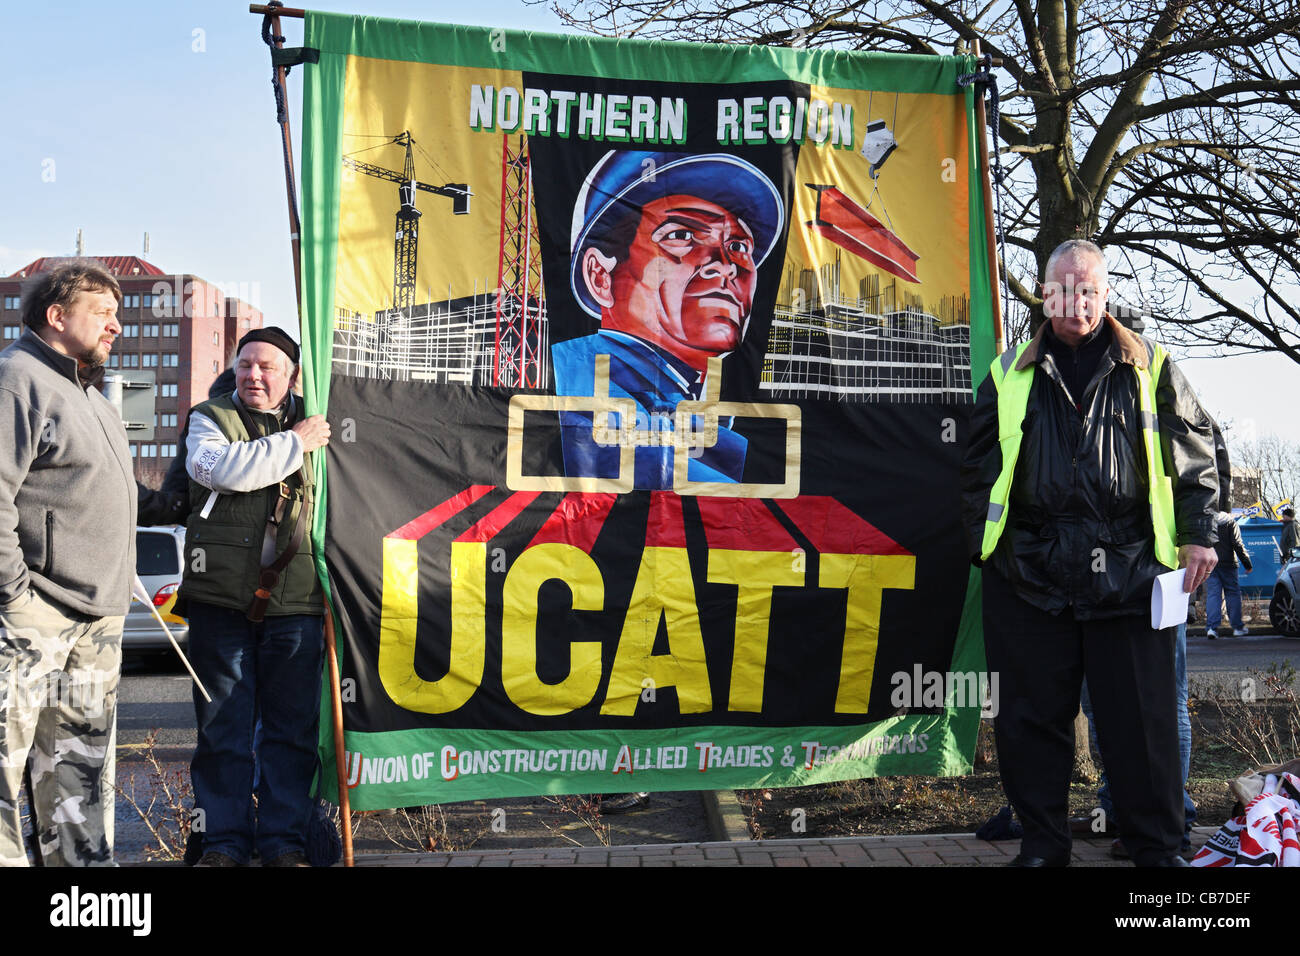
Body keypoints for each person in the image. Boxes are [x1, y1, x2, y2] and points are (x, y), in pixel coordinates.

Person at [962, 239, 1219, 867]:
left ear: (1105, 295)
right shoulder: (1008, 372)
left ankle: (1157, 848)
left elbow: (1196, 453)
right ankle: (1043, 847)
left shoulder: (1151, 366)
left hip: (1130, 574)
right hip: (1029, 575)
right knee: (1030, 726)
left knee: (1142, 727)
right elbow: (974, 468)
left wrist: (1197, 535)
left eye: (1088, 288)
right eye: (1062, 287)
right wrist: (985, 548)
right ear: (1044, 292)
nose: (1075, 299)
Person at [0, 261, 136, 865]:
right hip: (35, 620)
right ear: (56, 316)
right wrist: (13, 595)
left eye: (117, 314)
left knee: (78, 781)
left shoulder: (93, 398)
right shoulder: (17, 380)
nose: (116, 326)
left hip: (97, 625)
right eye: (102, 312)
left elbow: (87, 493)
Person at [178, 327, 331, 867]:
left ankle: (285, 843)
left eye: (267, 367)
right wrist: (297, 443)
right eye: (245, 365)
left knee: (291, 733)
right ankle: (223, 844)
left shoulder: (321, 419)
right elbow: (221, 471)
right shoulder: (208, 419)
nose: (253, 376)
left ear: (292, 375)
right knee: (222, 730)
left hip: (297, 603)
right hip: (220, 600)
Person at [553, 150, 785, 489]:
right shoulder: (567, 381)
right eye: (681, 235)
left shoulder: (708, 407)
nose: (725, 264)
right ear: (601, 276)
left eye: (738, 246)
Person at [1206, 511, 1254, 638]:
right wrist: (1247, 564)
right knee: (1232, 594)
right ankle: (1237, 627)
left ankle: (1212, 628)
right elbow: (1238, 544)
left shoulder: (1208, 521)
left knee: (1213, 595)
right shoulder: (1230, 523)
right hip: (1228, 564)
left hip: (1211, 564)